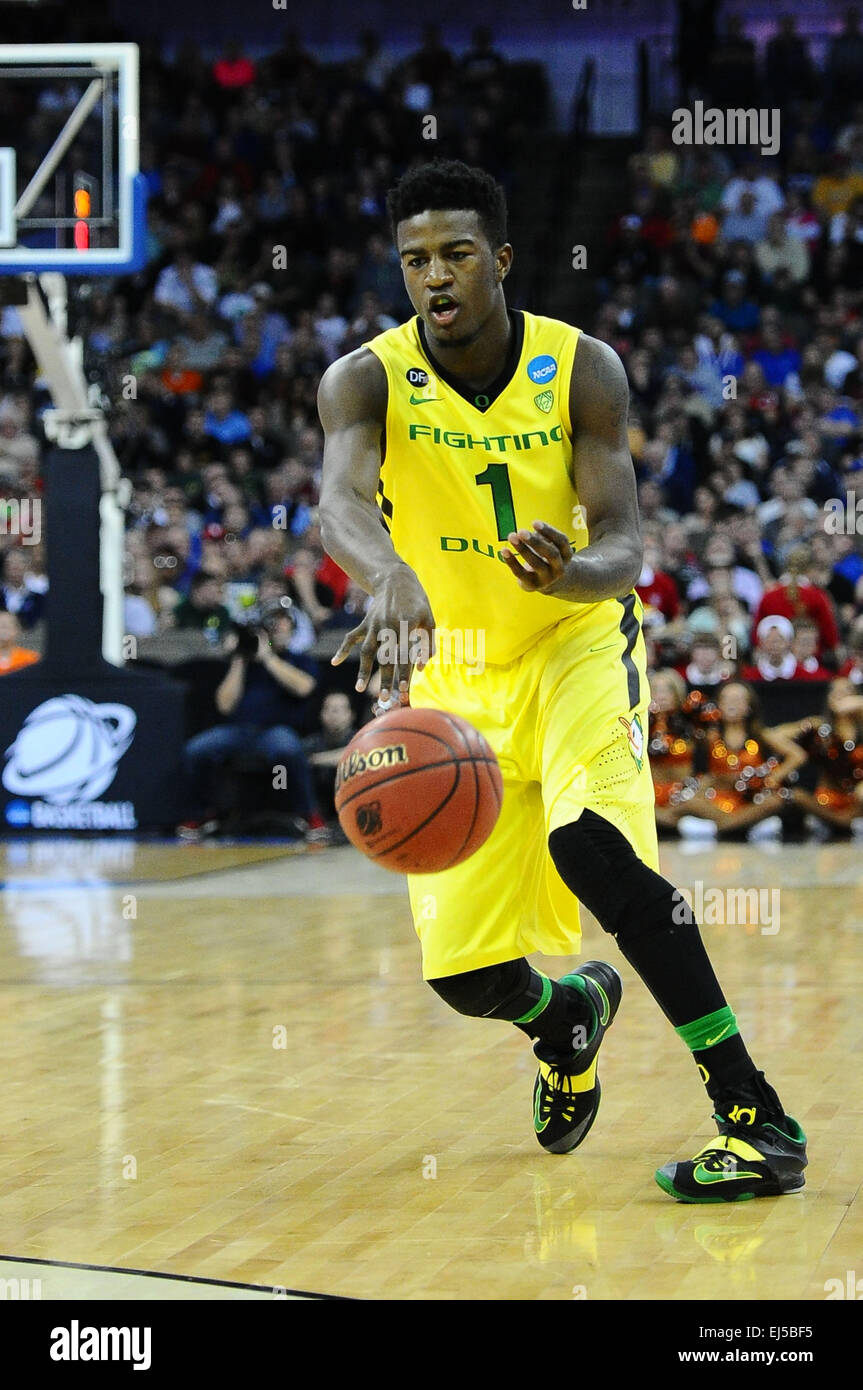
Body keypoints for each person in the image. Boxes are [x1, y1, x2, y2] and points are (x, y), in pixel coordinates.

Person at [317, 158, 807, 1202]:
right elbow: (338, 500)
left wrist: (569, 569)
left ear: (499, 259)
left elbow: (625, 543)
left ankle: (752, 1115)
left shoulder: (581, 367)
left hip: (575, 642)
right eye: (413, 261)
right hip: (454, 682)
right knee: (462, 977)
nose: (433, 278)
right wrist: (386, 573)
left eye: (454, 254)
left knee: (595, 851)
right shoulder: (362, 377)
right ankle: (565, 1019)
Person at [180, 602, 325, 840]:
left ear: (292, 627)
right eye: (273, 622)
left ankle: (310, 816)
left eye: (283, 621)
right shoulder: (244, 663)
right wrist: (240, 659)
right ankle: (200, 815)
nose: (279, 627)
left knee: (287, 749)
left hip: (277, 731)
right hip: (237, 731)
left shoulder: (299, 659)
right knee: (196, 750)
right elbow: (225, 705)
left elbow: (304, 687)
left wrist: (268, 658)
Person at [0, 609, 39, 674]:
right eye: (1, 626)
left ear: (17, 630)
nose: (4, 629)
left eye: (8, 625)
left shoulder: (31, 659)